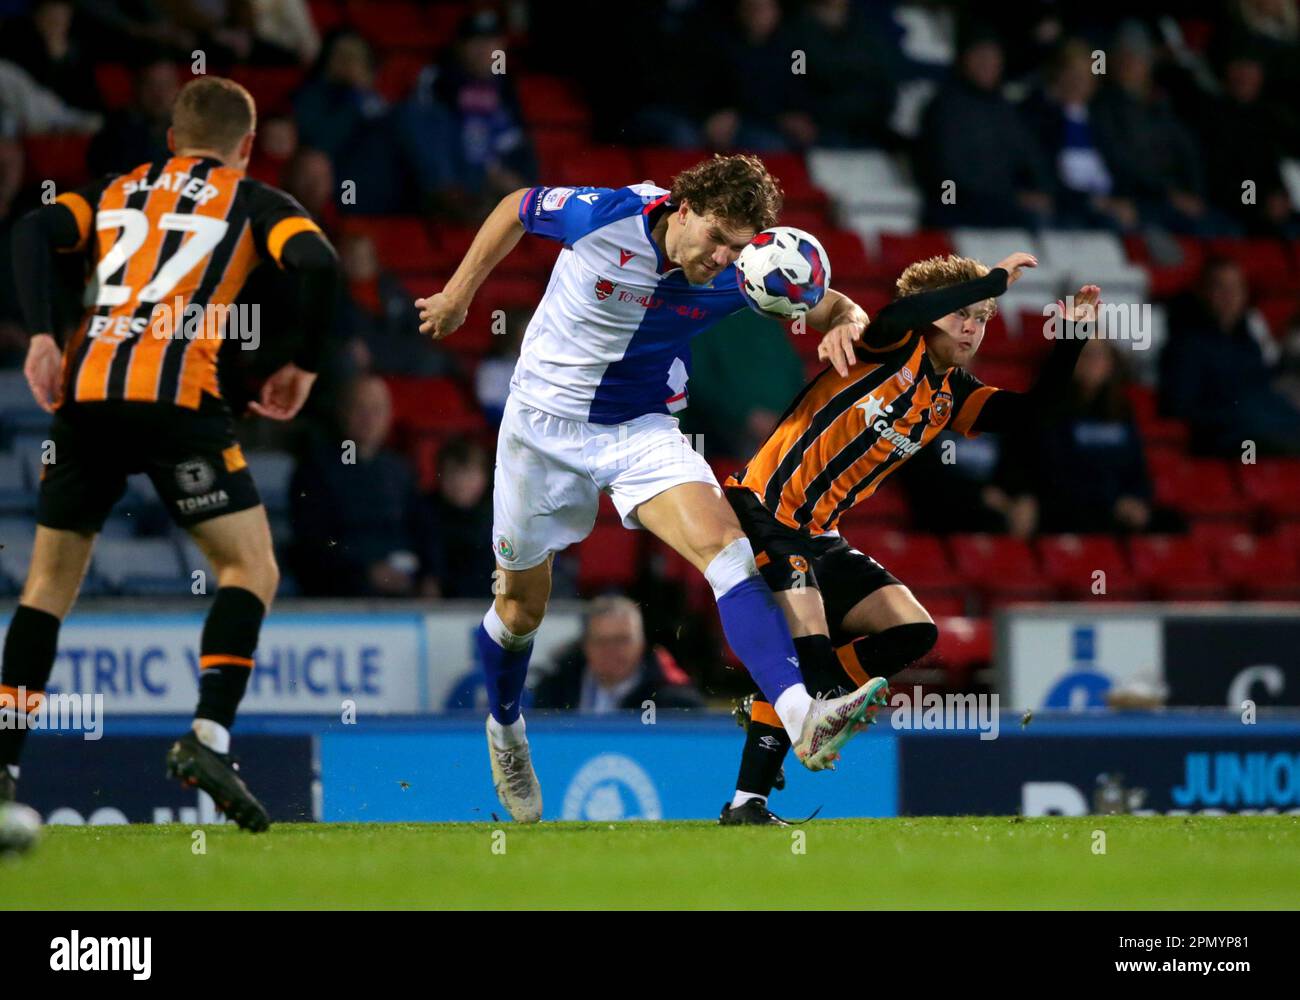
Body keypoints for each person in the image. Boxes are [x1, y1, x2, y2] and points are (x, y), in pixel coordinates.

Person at [416, 154, 887, 824]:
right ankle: (506, 728)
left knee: (727, 552)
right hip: (540, 429)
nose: (722, 257)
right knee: (522, 610)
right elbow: (518, 204)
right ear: (685, 208)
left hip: (639, 430)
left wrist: (847, 320)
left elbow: (829, 302)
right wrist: (460, 292)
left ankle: (803, 715)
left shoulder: (743, 271)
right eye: (716, 237)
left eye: (737, 246)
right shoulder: (607, 216)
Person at [0, 76, 339, 831]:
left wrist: (45, 335)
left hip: (87, 393)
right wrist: (300, 365)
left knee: (47, 584)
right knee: (249, 567)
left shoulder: (117, 189)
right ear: (247, 147)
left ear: (171, 139)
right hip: (177, 401)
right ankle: (207, 737)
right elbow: (316, 265)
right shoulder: (255, 202)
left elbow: (31, 231)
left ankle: (3, 764)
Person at [718, 253, 1100, 824]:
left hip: (821, 533)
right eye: (962, 314)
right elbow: (908, 309)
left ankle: (751, 792)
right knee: (816, 663)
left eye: (983, 318)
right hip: (766, 509)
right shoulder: (889, 342)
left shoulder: (948, 394)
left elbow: (1033, 412)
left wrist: (1069, 339)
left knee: (911, 631)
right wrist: (992, 280)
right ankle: (784, 726)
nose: (972, 327)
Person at [532, 596, 704, 713]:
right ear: (585, 646)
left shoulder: (676, 702)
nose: (611, 651)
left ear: (642, 643)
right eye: (601, 641)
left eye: (622, 640)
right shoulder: (552, 692)